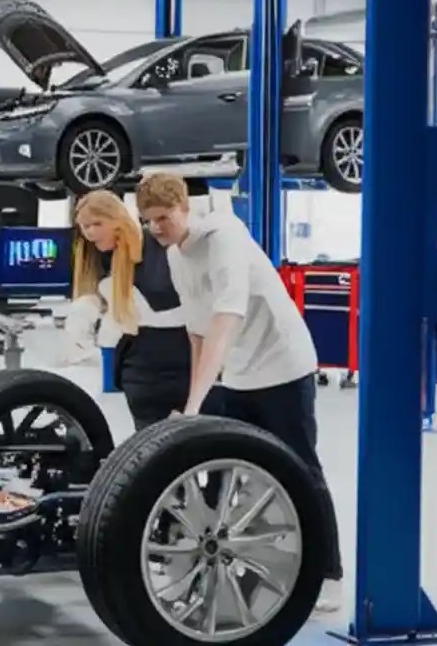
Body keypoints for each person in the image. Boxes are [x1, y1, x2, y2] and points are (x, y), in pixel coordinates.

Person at [135, 172, 344, 613]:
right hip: (238, 373)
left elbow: (226, 319)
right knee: (229, 474)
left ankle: (328, 575)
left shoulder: (225, 237)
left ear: (184, 208)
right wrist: (193, 404)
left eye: (163, 217)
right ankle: (220, 569)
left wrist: (195, 404)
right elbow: (197, 331)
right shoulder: (175, 255)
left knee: (301, 471)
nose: (156, 227)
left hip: (283, 366)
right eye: (148, 220)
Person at [67, 190, 191, 430]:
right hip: (137, 362)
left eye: (97, 224)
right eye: (85, 226)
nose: (90, 231)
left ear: (117, 220)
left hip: (178, 354)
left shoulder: (157, 246)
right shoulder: (95, 257)